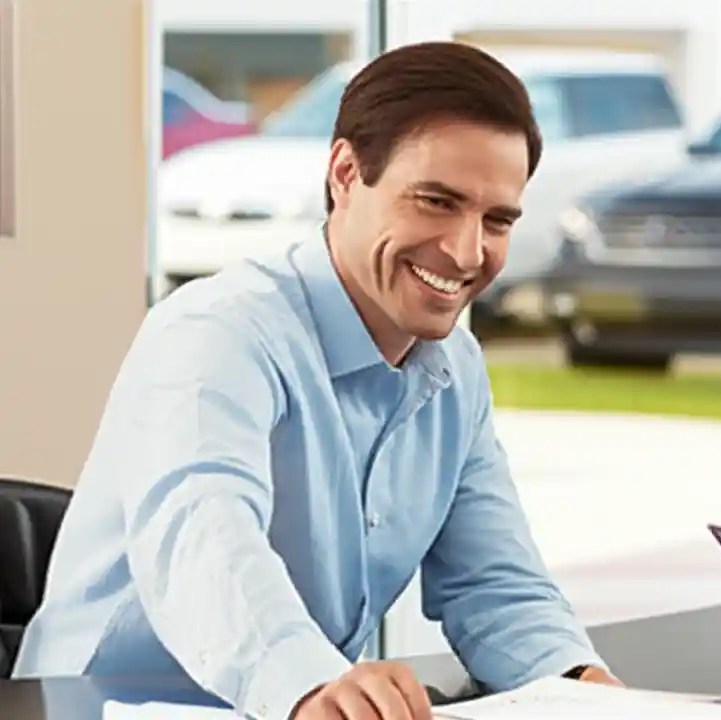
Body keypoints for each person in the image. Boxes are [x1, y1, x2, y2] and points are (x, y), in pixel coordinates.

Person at [12, 41, 619, 720]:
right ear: (345, 174)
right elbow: (204, 539)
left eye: (497, 219)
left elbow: (494, 585)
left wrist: (589, 692)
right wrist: (307, 686)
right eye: (436, 201)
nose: (467, 250)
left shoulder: (456, 369)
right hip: (100, 710)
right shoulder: (220, 331)